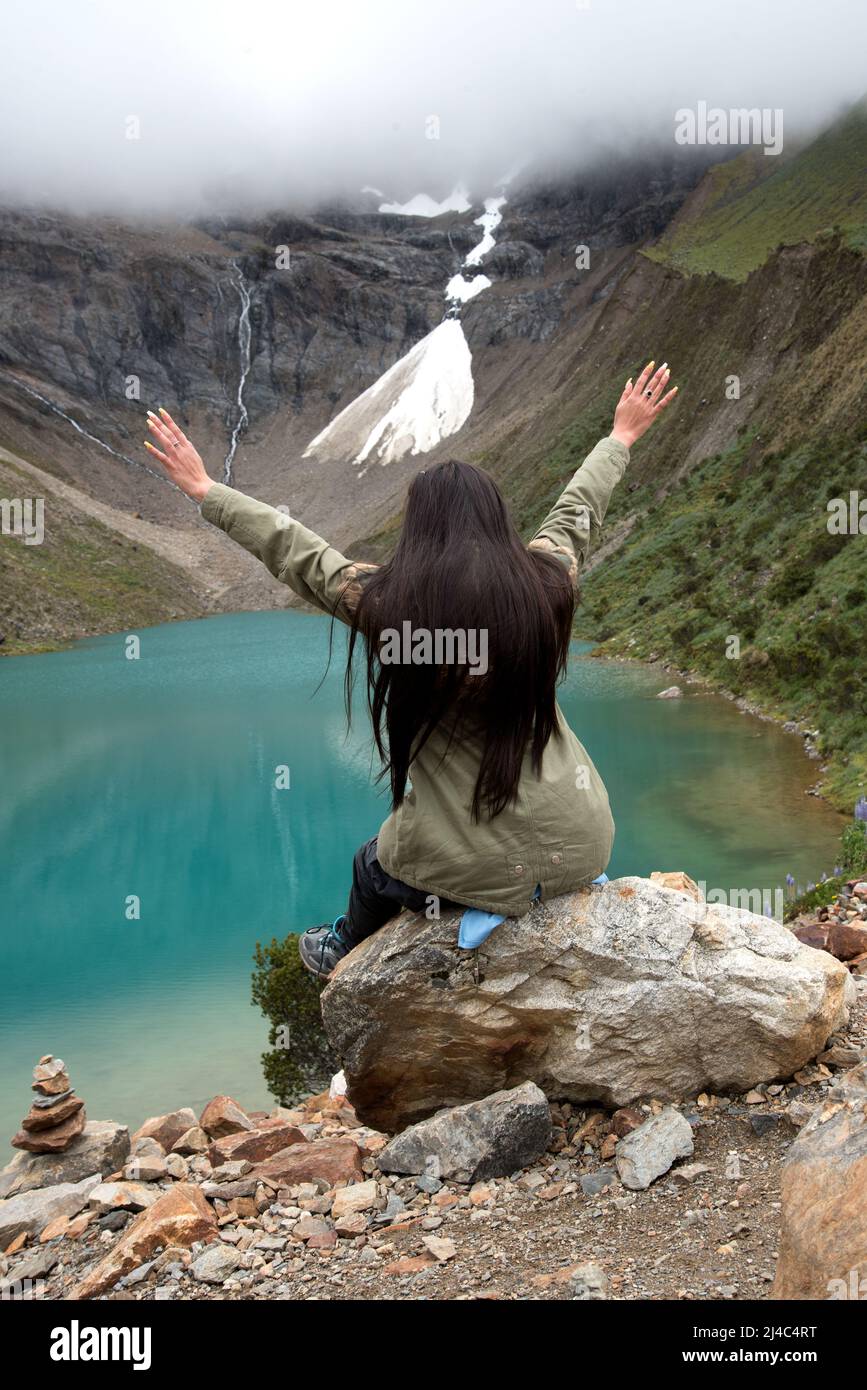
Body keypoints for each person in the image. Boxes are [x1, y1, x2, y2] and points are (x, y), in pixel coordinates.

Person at [145, 360, 676, 977]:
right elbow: (575, 515)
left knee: (371, 866)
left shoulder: (389, 607)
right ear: (499, 522)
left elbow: (298, 552)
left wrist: (208, 492)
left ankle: (342, 951)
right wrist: (620, 438)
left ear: (418, 531)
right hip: (583, 842)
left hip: (473, 869)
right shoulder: (545, 587)